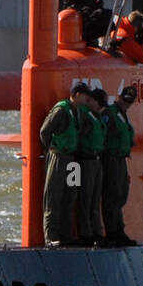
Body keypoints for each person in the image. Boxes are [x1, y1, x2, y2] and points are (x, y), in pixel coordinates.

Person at [39, 82, 89, 246]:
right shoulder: (61, 110)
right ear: (76, 95)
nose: (87, 99)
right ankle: (51, 238)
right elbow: (44, 131)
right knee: (53, 197)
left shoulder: (78, 112)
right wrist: (50, 150)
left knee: (70, 197)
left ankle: (66, 236)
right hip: (59, 157)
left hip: (72, 161)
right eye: (85, 96)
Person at [101, 85, 139, 246]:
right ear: (120, 97)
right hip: (110, 159)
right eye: (125, 100)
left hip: (121, 159)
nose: (126, 103)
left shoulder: (123, 115)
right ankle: (113, 232)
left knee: (121, 195)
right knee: (112, 195)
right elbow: (102, 133)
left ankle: (119, 231)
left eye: (129, 101)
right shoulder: (109, 113)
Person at [74, 88, 106, 245]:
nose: (100, 107)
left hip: (97, 160)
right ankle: (85, 234)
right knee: (85, 199)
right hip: (85, 161)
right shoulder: (84, 114)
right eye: (98, 103)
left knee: (94, 200)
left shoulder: (95, 115)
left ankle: (96, 233)